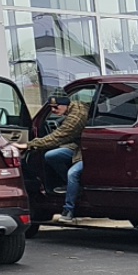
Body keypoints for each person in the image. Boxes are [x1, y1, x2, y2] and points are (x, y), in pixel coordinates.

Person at [24, 90, 89, 220]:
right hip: (78, 148)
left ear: (65, 104)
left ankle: (68, 210)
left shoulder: (76, 117)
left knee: (73, 173)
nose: (53, 110)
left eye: (56, 106)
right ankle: (70, 186)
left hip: (87, 151)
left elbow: (57, 137)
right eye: (51, 107)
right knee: (52, 156)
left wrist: (29, 145)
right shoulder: (74, 108)